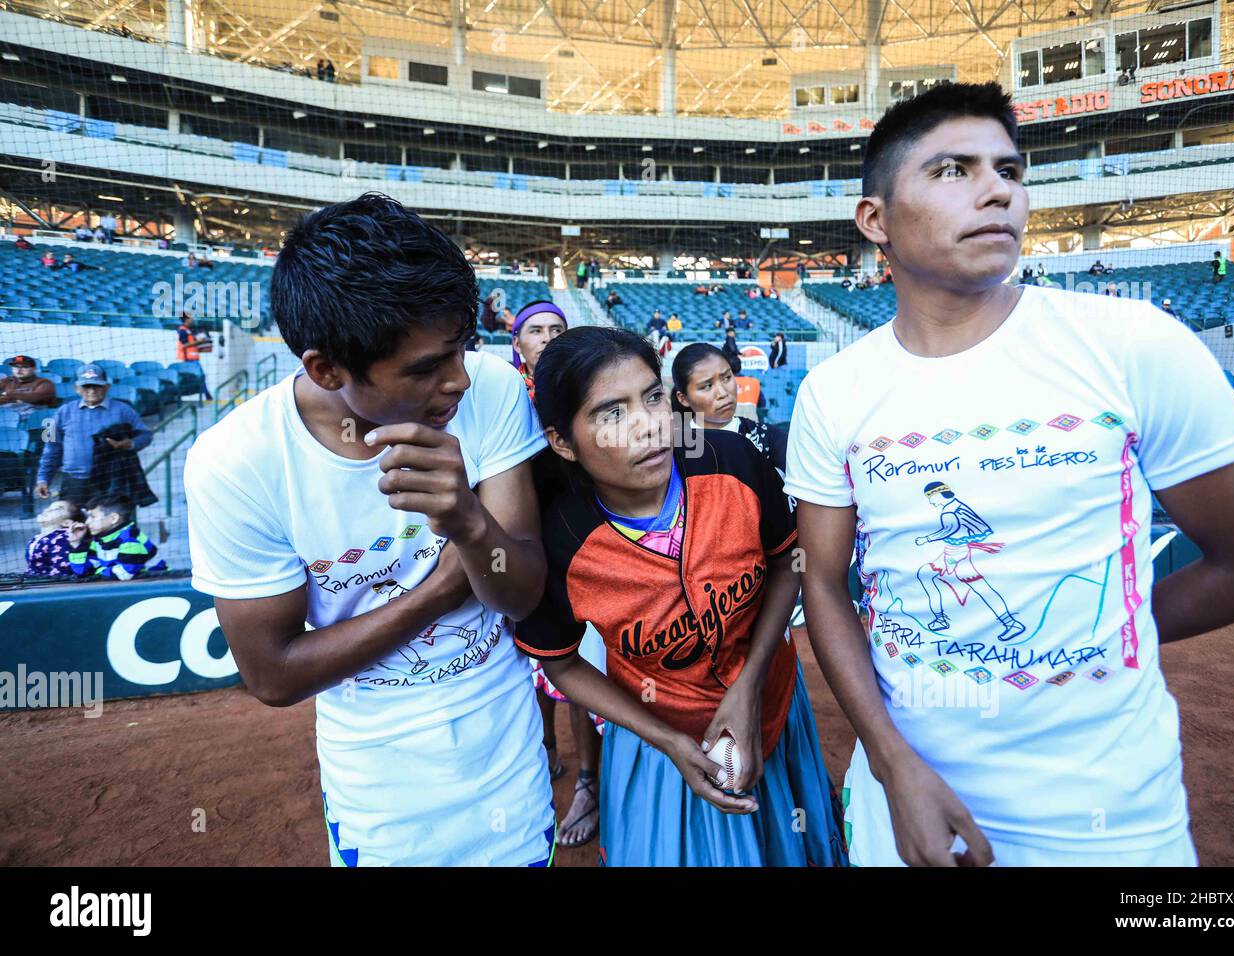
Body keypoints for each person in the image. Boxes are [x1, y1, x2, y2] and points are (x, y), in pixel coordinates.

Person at [786, 81, 1234, 868]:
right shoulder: (834, 389)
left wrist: (1102, 630)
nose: (997, 190)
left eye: (1010, 170)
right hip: (909, 807)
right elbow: (822, 584)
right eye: (952, 170)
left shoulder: (1132, 344)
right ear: (875, 220)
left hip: (1112, 818)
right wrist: (891, 764)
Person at [183, 192, 556, 867]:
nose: (459, 381)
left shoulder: (495, 388)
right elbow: (274, 676)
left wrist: (470, 524)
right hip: (375, 783)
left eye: (461, 350)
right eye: (425, 368)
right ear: (326, 367)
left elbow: (522, 593)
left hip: (506, 749)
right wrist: (441, 592)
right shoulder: (237, 463)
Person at [517, 326, 845, 867]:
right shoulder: (560, 540)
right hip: (660, 741)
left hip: (775, 706)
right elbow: (562, 664)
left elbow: (791, 560)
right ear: (562, 443)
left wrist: (747, 685)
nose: (648, 425)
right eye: (611, 412)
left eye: (651, 397)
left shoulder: (732, 460)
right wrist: (666, 740)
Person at [508, 299, 605, 848]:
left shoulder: (583, 387)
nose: (546, 336)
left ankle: (589, 783)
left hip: (582, 548)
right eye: (535, 330)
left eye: (556, 329)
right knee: (536, 668)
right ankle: (544, 754)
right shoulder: (498, 398)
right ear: (516, 342)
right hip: (519, 555)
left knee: (576, 670)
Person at [35, 364, 152, 508]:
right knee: (73, 526)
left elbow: (146, 434)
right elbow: (50, 447)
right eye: (86, 386)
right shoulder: (61, 412)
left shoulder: (124, 410)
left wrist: (130, 444)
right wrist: (43, 479)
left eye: (97, 386)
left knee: (113, 525)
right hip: (74, 482)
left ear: (107, 387)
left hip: (112, 481)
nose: (92, 390)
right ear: (77, 389)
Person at [671, 343, 786, 471]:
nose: (723, 393)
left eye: (726, 378)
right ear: (683, 398)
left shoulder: (769, 439)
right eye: (707, 386)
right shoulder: (672, 449)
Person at [68, 496, 166, 580]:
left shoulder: (131, 539)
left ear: (113, 519)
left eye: (93, 517)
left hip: (155, 584)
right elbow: (83, 572)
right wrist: (76, 544)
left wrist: (99, 572)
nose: (87, 522)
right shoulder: (100, 539)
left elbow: (124, 574)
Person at [25, 500, 82, 578]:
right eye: (49, 507)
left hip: (51, 584)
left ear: (66, 523)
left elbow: (63, 569)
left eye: (58, 508)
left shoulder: (61, 539)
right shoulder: (39, 537)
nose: (47, 510)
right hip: (35, 581)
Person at [176, 314, 213, 399]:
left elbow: (192, 344)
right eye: (190, 317)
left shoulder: (188, 330)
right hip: (188, 359)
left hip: (193, 358)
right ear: (186, 319)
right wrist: (199, 341)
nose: (192, 319)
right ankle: (207, 395)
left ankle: (206, 394)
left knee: (201, 376)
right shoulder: (182, 330)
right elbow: (184, 345)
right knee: (200, 376)